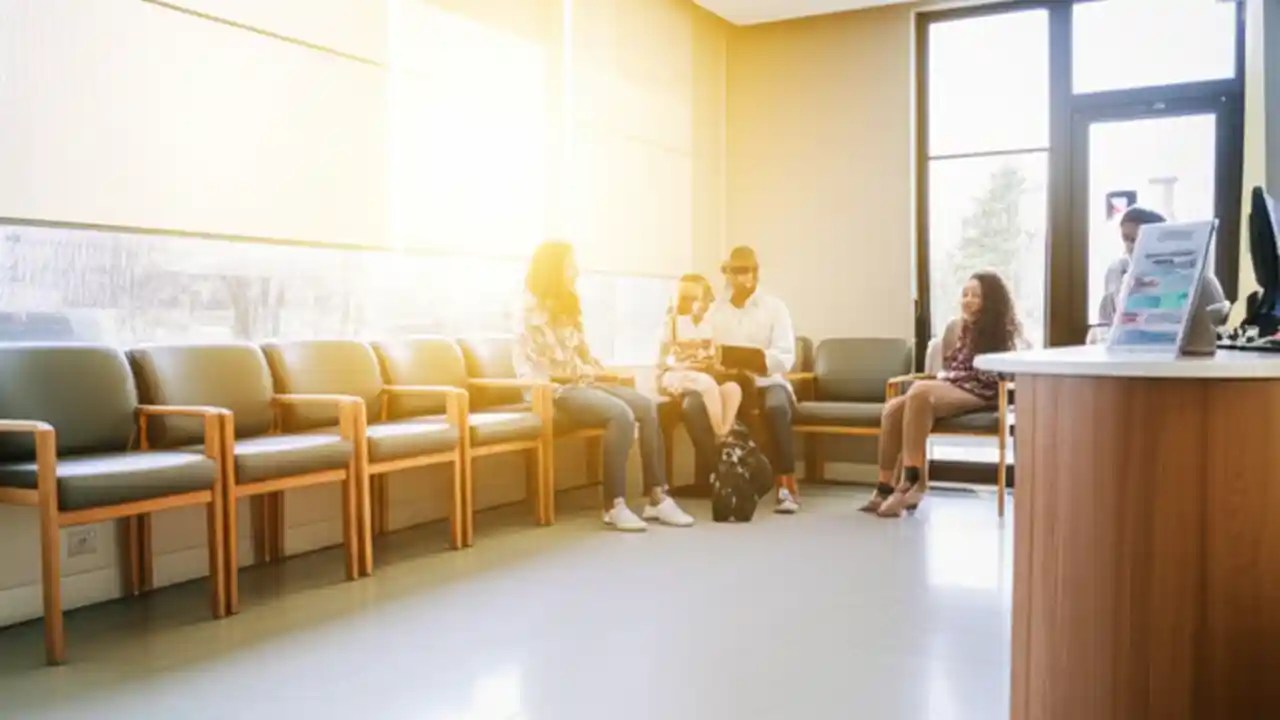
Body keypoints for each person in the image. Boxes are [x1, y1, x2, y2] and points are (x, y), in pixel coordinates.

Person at [515, 240, 694, 532]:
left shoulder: (568, 306)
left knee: (646, 407)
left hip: (582, 384)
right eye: (570, 265)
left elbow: (582, 354)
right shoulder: (530, 312)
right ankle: (614, 505)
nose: (575, 271)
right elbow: (554, 369)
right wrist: (590, 373)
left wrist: (601, 371)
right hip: (553, 391)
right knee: (620, 414)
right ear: (553, 269)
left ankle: (657, 496)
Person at [864, 271, 1021, 518]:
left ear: (990, 301)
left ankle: (913, 481)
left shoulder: (1002, 330)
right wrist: (944, 380)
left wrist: (947, 382)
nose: (968, 300)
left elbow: (998, 375)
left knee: (920, 393)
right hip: (956, 385)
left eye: (975, 296)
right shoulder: (961, 327)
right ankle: (884, 486)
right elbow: (953, 368)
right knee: (894, 407)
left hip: (985, 393)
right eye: (965, 294)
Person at [682, 246, 801, 514]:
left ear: (755, 273)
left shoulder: (775, 308)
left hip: (766, 381)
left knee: (777, 407)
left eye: (745, 271)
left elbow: (786, 356)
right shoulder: (715, 310)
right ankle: (724, 474)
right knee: (693, 406)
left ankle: (787, 485)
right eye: (734, 271)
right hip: (727, 383)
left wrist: (754, 361)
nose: (740, 277)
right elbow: (705, 347)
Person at [1097, 206, 1229, 350]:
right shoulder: (1118, 276)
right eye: (1126, 239)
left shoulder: (1201, 282)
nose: (1130, 247)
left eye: (1135, 240)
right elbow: (1105, 326)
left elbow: (1217, 327)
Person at [658, 274, 743, 441]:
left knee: (733, 388)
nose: (704, 305)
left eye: (706, 300)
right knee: (707, 384)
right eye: (697, 299)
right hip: (674, 375)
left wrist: (713, 364)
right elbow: (662, 362)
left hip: (701, 375)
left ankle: (725, 433)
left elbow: (714, 357)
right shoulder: (672, 323)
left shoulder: (707, 327)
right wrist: (682, 364)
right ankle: (721, 433)